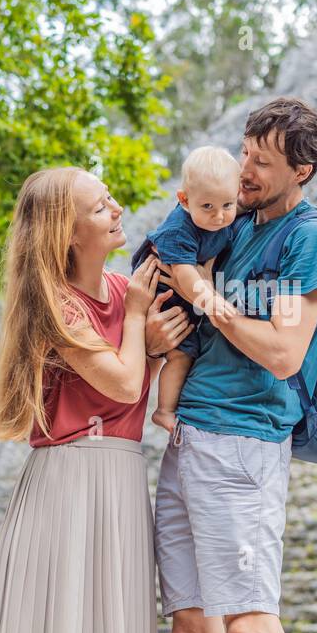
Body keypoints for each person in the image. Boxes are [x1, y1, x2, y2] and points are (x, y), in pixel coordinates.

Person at [0, 166, 192, 633]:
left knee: (111, 630)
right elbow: (127, 386)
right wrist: (136, 321)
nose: (118, 210)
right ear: (68, 232)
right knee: (58, 630)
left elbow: (136, 378)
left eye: (111, 200)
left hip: (122, 478)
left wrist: (150, 349)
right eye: (101, 207)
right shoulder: (57, 305)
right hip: (70, 480)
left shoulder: (116, 289)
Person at [151, 97, 317, 633]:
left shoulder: (308, 239)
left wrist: (208, 302)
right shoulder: (235, 226)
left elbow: (286, 353)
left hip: (243, 446)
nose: (245, 171)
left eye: (262, 163)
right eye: (245, 154)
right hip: (191, 438)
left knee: (250, 629)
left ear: (303, 172)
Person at [129, 144, 248, 434]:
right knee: (180, 356)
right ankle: (164, 411)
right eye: (207, 206)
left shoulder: (223, 211)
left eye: (228, 205)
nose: (219, 216)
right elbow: (183, 275)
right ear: (184, 200)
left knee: (189, 353)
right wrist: (208, 297)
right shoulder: (178, 230)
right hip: (165, 297)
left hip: (189, 298)